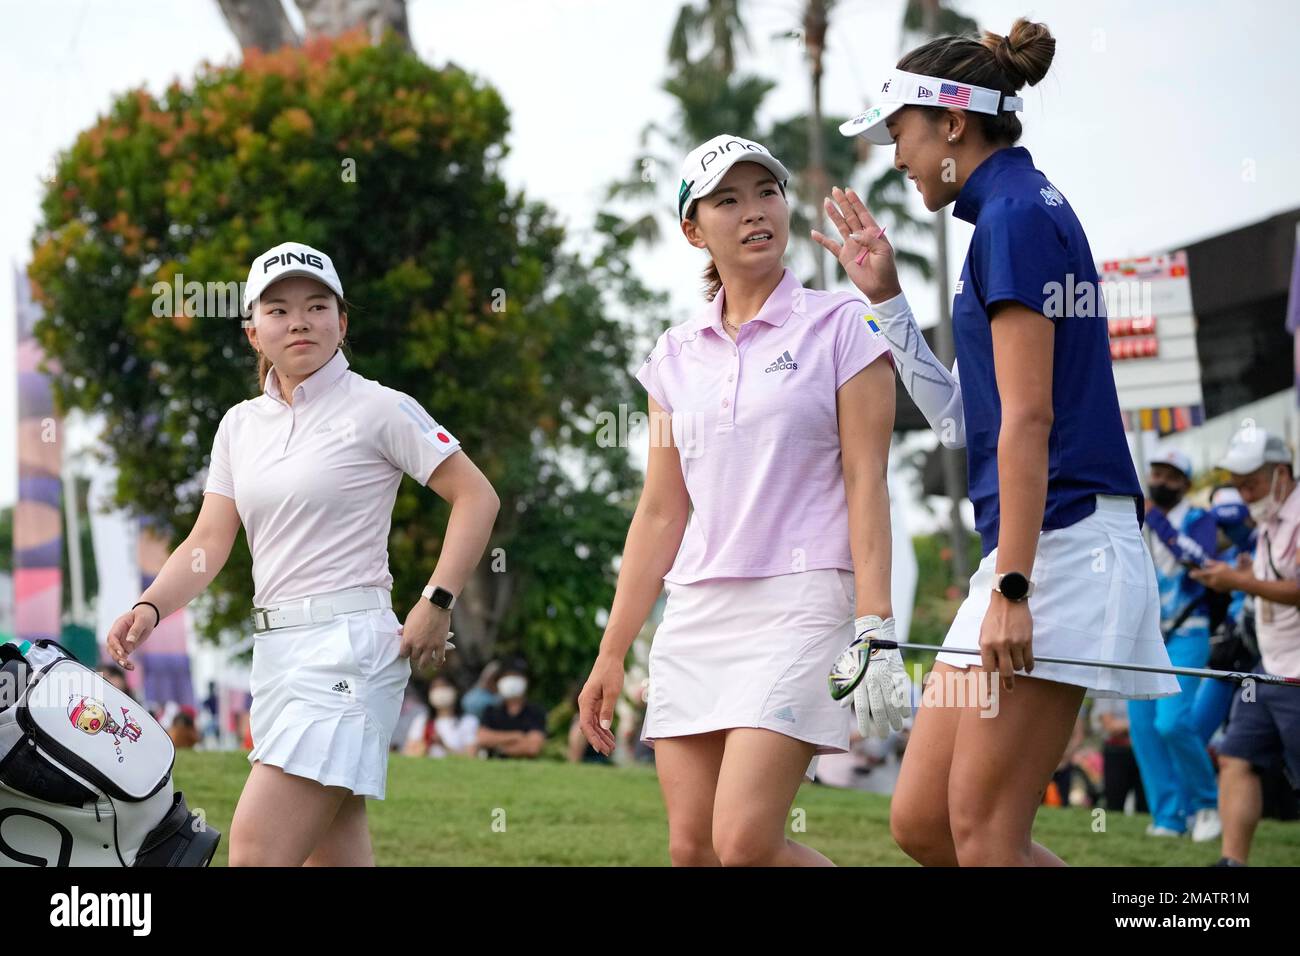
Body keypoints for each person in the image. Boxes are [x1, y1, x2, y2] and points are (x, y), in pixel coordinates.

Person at [818, 17, 1179, 865]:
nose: (895, 157)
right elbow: (967, 422)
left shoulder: (1014, 219)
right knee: (926, 825)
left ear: (951, 123)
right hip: (1033, 546)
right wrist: (888, 303)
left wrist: (1014, 582)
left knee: (984, 835)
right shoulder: (1011, 212)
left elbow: (1028, 422)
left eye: (900, 134)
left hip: (1057, 549)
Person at [106, 242, 500, 866]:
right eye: (279, 309)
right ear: (253, 331)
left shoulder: (379, 406)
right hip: (277, 659)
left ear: (342, 323)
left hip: (349, 650)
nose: (299, 321)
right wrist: (150, 607)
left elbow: (476, 497)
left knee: (257, 848)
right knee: (333, 860)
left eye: (318, 306)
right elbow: (209, 541)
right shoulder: (239, 424)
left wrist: (437, 600)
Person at [578, 133, 897, 867]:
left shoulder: (844, 325)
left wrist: (874, 624)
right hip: (696, 613)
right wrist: (613, 649)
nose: (755, 212)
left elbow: (866, 482)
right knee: (692, 851)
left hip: (804, 599)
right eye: (728, 200)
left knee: (744, 845)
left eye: (766, 193)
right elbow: (661, 511)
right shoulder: (672, 354)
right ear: (694, 229)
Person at [1191, 427, 1300, 866]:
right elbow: (1273, 581)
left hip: (1294, 673)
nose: (1242, 491)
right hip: (1268, 666)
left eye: (1250, 481)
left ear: (1280, 473)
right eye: (1237, 482)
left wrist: (1239, 581)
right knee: (1236, 757)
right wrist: (1242, 571)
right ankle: (1231, 866)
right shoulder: (1269, 521)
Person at [1128, 447, 1221, 840]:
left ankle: (1205, 806)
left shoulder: (1200, 519)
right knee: (1144, 728)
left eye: (1170, 476)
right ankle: (1168, 818)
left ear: (1184, 483)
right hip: (1141, 633)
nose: (1160, 482)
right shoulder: (1136, 516)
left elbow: (1200, 561)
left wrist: (1158, 521)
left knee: (1172, 722)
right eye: (1156, 474)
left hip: (1188, 630)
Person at [476, 661, 547, 758]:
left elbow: (533, 747)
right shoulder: (491, 710)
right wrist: (516, 736)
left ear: (525, 681)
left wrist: (498, 747)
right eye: (507, 676)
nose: (511, 680)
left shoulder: (536, 712)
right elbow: (482, 738)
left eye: (515, 675)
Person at [403, 676, 479, 757]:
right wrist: (425, 746)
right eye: (435, 688)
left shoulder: (468, 721)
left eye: (444, 686)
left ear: (455, 690)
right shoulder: (422, 721)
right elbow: (407, 753)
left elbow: (471, 756)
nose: (439, 691)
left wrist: (443, 746)